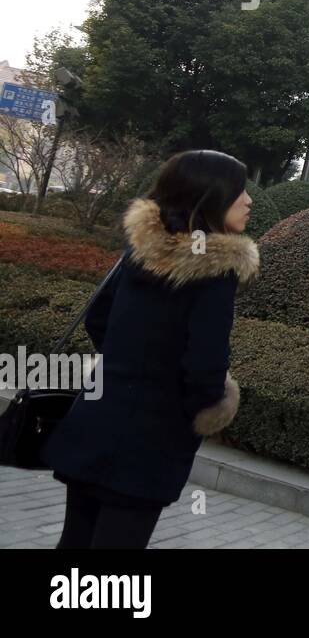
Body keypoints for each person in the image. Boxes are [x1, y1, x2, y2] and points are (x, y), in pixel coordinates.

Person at [42, 149, 259, 548]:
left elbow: (98, 319)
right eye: (239, 191)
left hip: (97, 418)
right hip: (151, 440)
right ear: (206, 197)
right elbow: (205, 364)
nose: (248, 200)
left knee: (74, 540)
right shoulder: (215, 272)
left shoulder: (138, 253)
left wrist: (129, 367)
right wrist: (209, 407)